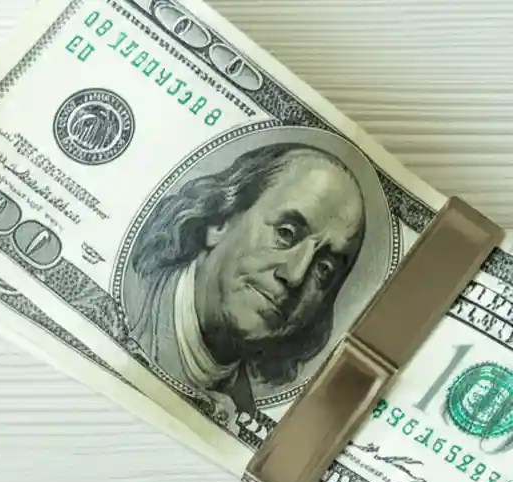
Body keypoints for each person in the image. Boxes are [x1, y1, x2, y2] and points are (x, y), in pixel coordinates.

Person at [123, 142, 368, 416]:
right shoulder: (126, 312)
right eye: (286, 233)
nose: (295, 275)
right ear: (220, 221)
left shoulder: (243, 414)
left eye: (324, 269)